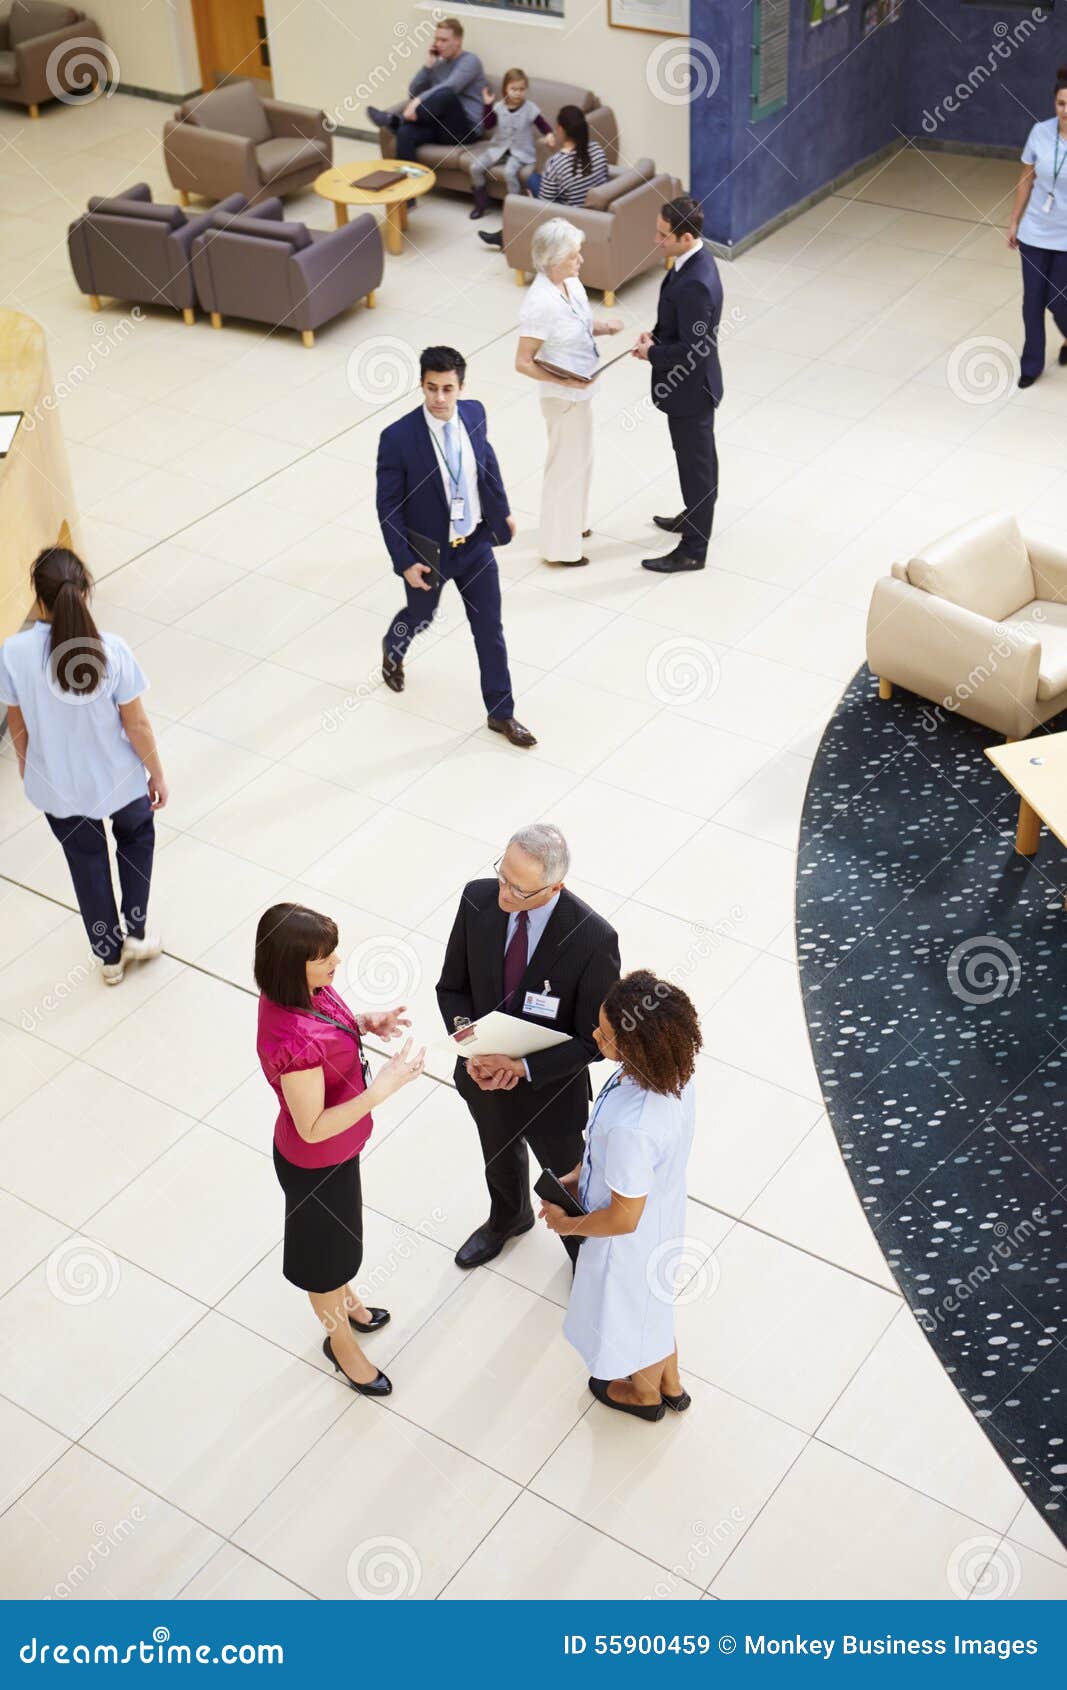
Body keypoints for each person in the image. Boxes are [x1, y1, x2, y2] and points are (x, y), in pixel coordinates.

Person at [255, 902, 425, 1399]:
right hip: (316, 1164)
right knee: (324, 1267)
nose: (337, 962)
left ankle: (348, 1302)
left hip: (338, 1154)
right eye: (324, 957)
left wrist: (365, 1023)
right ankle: (341, 1345)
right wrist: (383, 1087)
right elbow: (311, 1128)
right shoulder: (295, 1040)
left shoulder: (304, 990)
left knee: (340, 1246)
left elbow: (329, 1028)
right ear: (292, 964)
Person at [436, 823, 621, 1271]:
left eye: (518, 890)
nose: (504, 894)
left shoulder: (593, 939)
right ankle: (509, 1217)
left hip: (551, 1091)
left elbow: (595, 1041)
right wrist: (472, 1048)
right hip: (482, 1075)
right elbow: (453, 988)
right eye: (502, 876)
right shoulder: (477, 899)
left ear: (555, 887)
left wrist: (522, 1068)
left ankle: (583, 1254)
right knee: (497, 1155)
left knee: (567, 1179)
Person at [541, 970, 702, 1423]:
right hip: (663, 1211)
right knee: (655, 1308)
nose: (595, 1037)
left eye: (606, 1034)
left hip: (630, 1243)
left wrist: (568, 1225)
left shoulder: (635, 1127)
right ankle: (671, 1384)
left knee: (634, 1319)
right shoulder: (673, 1072)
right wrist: (580, 1174)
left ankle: (644, 1397)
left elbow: (623, 1218)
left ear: (637, 1046)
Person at [0, 546, 165, 986]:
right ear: (85, 592)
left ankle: (109, 958)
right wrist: (157, 773)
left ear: (38, 597)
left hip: (58, 788)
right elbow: (136, 724)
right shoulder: (112, 650)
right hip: (122, 781)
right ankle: (136, 932)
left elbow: (18, 726)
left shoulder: (13, 654)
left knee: (86, 862)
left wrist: (28, 768)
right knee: (136, 840)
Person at [377, 344, 537, 750]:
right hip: (429, 554)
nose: (439, 398)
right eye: (431, 388)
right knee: (420, 615)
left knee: (490, 630)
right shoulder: (398, 438)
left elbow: (487, 463)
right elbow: (388, 507)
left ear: (461, 387)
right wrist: (404, 561)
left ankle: (501, 713)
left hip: (476, 544)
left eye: (447, 389)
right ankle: (393, 646)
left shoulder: (474, 414)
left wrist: (502, 512)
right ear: (421, 385)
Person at [515, 219, 623, 567]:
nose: (581, 261)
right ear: (554, 260)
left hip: (582, 392)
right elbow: (523, 362)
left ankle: (575, 523)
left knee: (582, 461)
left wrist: (604, 327)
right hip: (562, 398)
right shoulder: (540, 303)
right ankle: (559, 549)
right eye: (574, 256)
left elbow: (578, 323)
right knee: (564, 468)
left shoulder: (571, 284)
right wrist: (566, 382)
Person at [632, 195, 723, 575]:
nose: (657, 240)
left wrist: (652, 354)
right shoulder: (691, 262)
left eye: (663, 235)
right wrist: (655, 337)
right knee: (693, 459)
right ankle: (694, 515)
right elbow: (679, 324)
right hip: (688, 388)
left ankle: (693, 549)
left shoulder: (696, 283)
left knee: (696, 467)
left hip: (691, 390)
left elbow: (693, 350)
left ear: (686, 237)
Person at [1007, 66, 1067, 389]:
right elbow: (1026, 178)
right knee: (1032, 302)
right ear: (1054, 103)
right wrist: (1015, 220)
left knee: (1059, 301)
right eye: (1061, 103)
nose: (1065, 111)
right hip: (1035, 232)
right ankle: (1031, 365)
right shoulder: (1040, 132)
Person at [478, 107, 609, 249]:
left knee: (531, 183)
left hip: (569, 218)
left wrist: (532, 201)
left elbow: (545, 208)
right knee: (535, 179)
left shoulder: (556, 163)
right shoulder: (597, 149)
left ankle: (505, 237)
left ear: (560, 129)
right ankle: (504, 235)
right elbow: (599, 179)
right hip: (593, 215)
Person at [369, 17, 484, 163]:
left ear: (458, 41)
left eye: (444, 40)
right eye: (436, 39)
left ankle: (398, 121)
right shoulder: (438, 65)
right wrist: (428, 66)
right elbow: (413, 92)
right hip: (439, 127)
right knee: (405, 133)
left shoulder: (470, 61)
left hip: (464, 131)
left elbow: (451, 87)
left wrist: (418, 101)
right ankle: (407, 176)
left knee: (446, 94)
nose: (438, 44)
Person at [470, 68, 554, 220]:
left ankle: (514, 209)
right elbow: (488, 125)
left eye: (521, 89)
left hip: (520, 152)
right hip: (497, 149)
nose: (517, 93)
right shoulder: (499, 107)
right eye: (513, 89)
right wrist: (487, 105)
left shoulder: (530, 108)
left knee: (509, 173)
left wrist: (549, 134)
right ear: (505, 89)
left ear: (525, 90)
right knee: (475, 167)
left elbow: (542, 125)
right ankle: (481, 203)